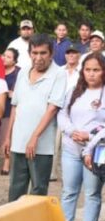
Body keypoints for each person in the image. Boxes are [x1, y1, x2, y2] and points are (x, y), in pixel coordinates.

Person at [8, 35, 68, 202]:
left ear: (51, 53)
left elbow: (52, 109)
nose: (38, 57)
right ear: (29, 53)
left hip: (42, 146)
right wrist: (8, 137)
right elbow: (15, 106)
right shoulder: (23, 73)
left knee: (38, 191)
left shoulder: (59, 74)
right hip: (18, 142)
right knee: (15, 189)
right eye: (35, 53)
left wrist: (35, 137)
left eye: (43, 53)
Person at [58, 53, 105, 221]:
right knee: (69, 190)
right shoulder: (74, 91)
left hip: (95, 152)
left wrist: (89, 137)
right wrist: (71, 131)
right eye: (88, 70)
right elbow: (62, 113)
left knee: (92, 191)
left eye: (96, 70)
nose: (91, 74)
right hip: (71, 148)